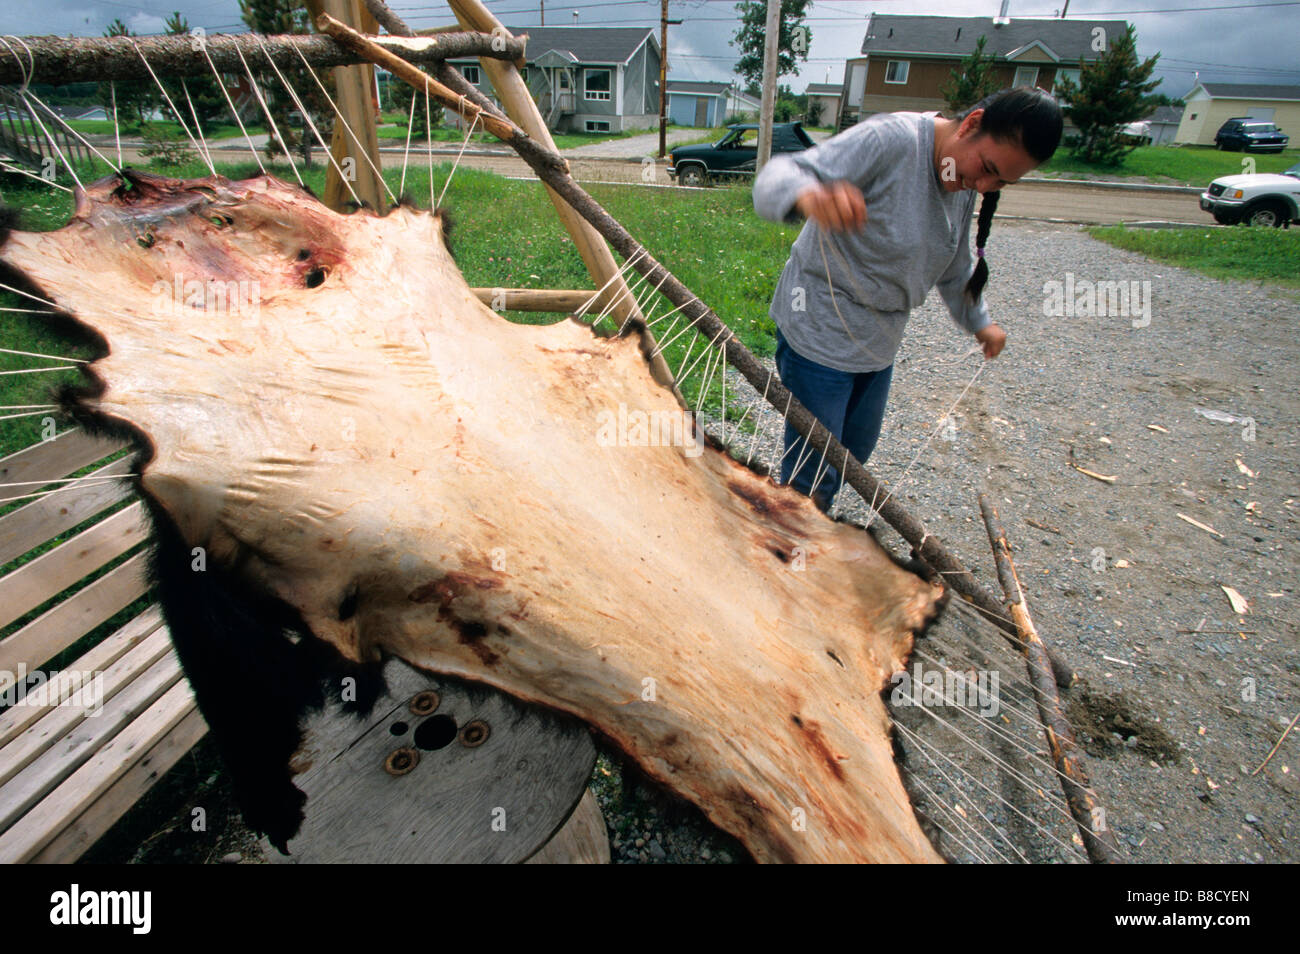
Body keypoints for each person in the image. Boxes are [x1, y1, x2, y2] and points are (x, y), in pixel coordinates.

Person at [752, 87, 1063, 513]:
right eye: (987, 168)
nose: (984, 185)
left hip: (877, 341)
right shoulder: (892, 141)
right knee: (815, 469)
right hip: (820, 327)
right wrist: (810, 196)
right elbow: (774, 179)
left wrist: (979, 322)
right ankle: (788, 550)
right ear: (971, 124)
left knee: (854, 453)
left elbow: (953, 266)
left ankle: (807, 523)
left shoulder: (963, 176)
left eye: (1001, 182)